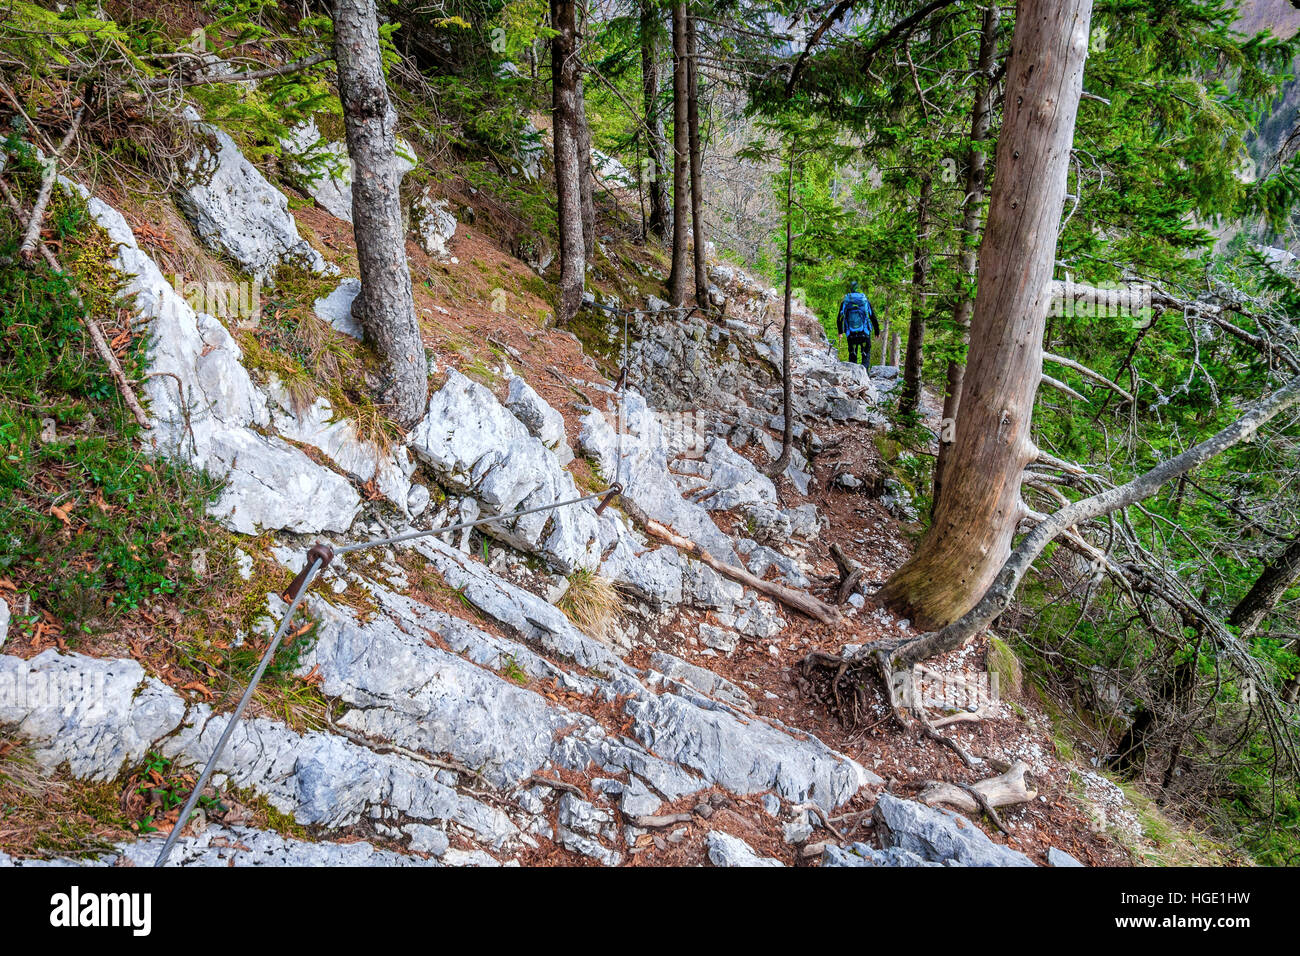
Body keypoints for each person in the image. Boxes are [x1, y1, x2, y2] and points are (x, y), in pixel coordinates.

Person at [836, 280, 880, 366]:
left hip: (851, 333)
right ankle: (865, 376)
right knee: (865, 355)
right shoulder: (864, 301)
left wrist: (840, 332)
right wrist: (877, 331)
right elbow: (873, 317)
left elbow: (839, 318)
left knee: (852, 355)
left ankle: (853, 376)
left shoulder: (846, 302)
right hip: (865, 332)